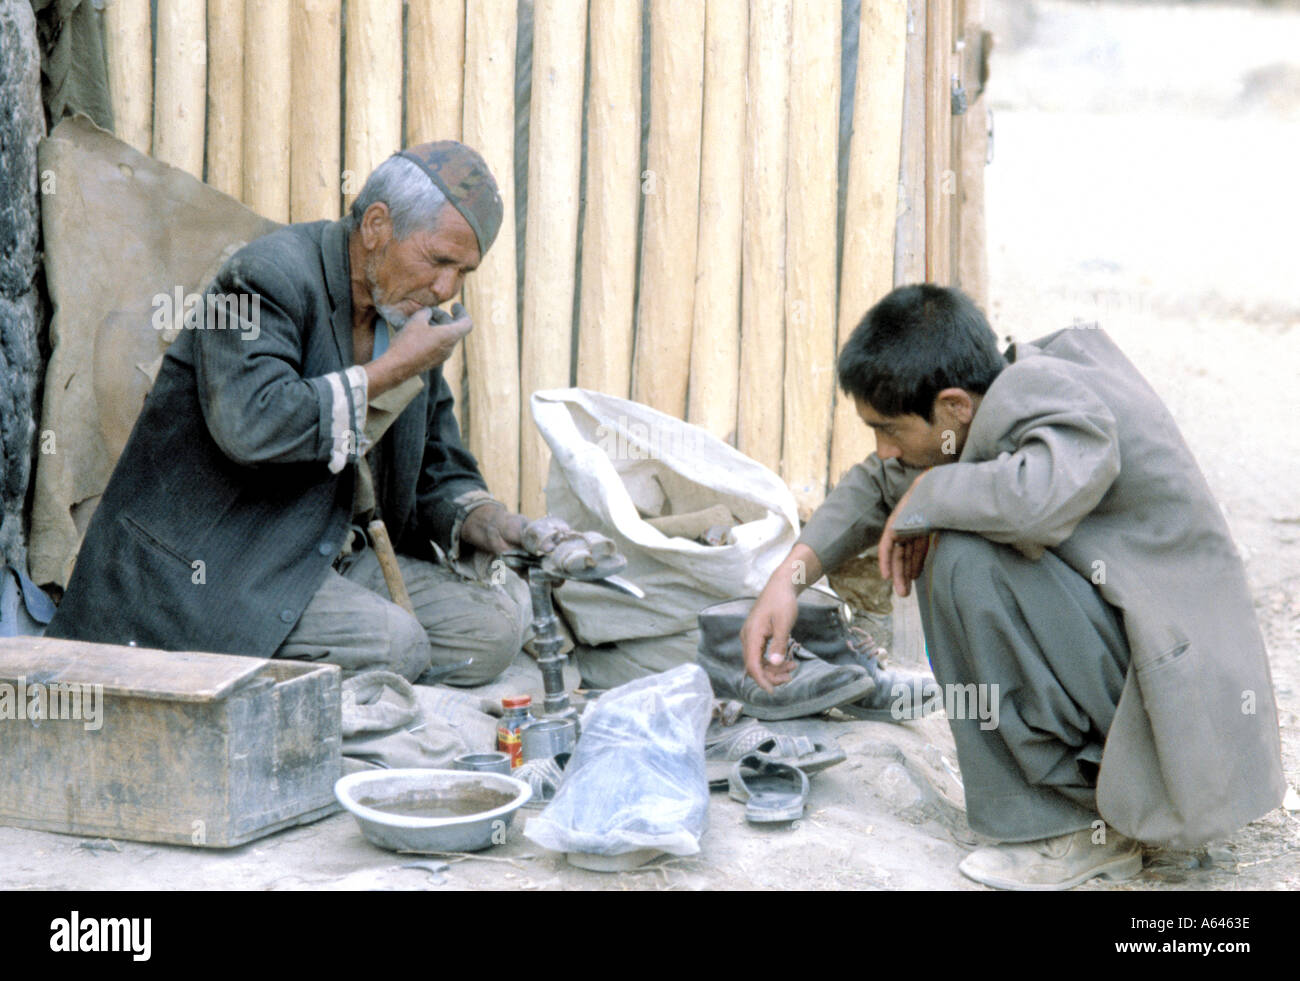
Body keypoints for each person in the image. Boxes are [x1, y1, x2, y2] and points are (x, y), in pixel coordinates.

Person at [740, 284, 1286, 889]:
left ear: (953, 407)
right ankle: (1078, 812)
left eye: (889, 429)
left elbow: (1038, 502)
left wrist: (931, 497)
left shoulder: (1049, 393)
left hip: (1186, 715)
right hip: (1154, 687)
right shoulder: (993, 401)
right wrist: (787, 582)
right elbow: (880, 483)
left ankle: (1075, 829)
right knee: (956, 531)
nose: (884, 448)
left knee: (964, 559)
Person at [46, 141, 534, 687]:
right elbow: (251, 424)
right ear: (376, 224)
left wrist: (493, 523)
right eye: (438, 260)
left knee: (495, 627)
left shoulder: (407, 316)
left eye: (464, 272)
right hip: (217, 562)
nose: (446, 288)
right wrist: (390, 371)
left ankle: (322, 672)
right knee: (396, 646)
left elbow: (436, 472)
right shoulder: (264, 277)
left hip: (323, 555)